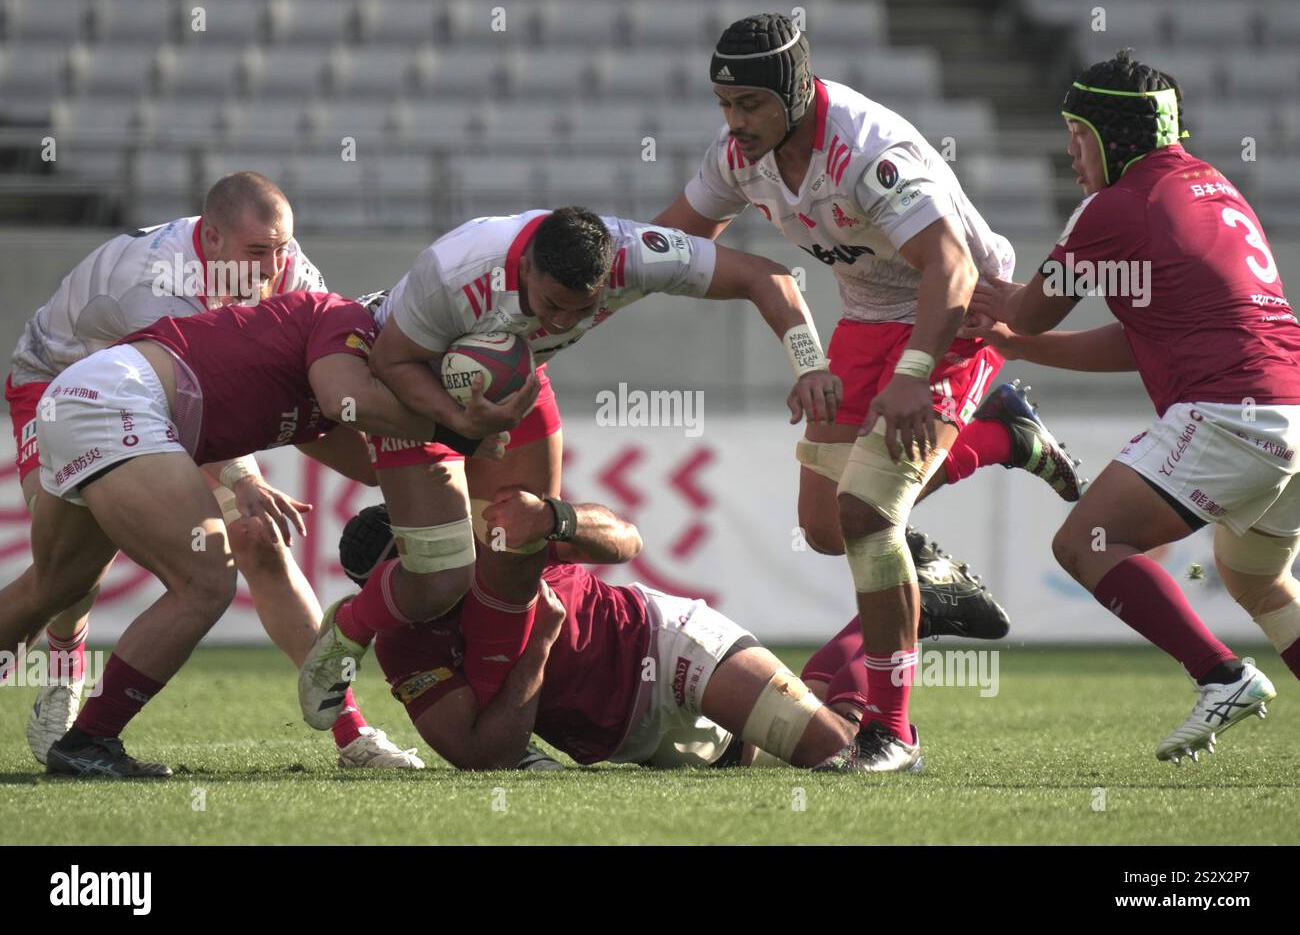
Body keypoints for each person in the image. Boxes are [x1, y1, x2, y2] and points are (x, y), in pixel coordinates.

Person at [652, 13, 1082, 770]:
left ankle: (893, 733)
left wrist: (915, 377)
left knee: (865, 515)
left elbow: (948, 267)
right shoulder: (740, 157)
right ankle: (1003, 435)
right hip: (866, 314)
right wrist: (597, 275)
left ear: (793, 89)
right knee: (823, 526)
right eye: (724, 105)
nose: (735, 122)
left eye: (750, 104)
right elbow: (675, 239)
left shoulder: (866, 149)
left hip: (952, 312)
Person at [298, 205, 842, 728]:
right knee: (444, 576)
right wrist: (457, 425)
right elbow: (393, 360)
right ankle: (348, 631)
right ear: (526, 267)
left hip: (516, 382)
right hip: (408, 386)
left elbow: (768, 276)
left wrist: (810, 364)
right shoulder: (454, 270)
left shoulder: (637, 256)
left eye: (580, 310)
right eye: (550, 303)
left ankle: (504, 724)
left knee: (519, 549)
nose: (561, 319)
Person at [4, 172, 420, 768]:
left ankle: (350, 732)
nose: (274, 268)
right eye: (258, 253)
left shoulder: (285, 263)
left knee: (260, 540)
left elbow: (310, 376)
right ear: (213, 239)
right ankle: (68, 666)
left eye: (282, 249)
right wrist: (244, 479)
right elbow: (172, 400)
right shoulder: (157, 284)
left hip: (151, 402)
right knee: (71, 576)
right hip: (65, 383)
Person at [967, 50, 1288, 762]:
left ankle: (1222, 675)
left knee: (1086, 543)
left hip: (1232, 414)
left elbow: (1033, 310)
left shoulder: (1116, 206)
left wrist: (997, 311)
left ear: (1114, 136)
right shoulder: (1213, 186)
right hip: (1287, 405)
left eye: (1078, 132)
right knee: (1256, 579)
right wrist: (1019, 346)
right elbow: (1138, 339)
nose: (1070, 150)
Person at [337, 490, 1005, 771]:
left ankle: (910, 614)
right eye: (395, 589)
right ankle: (911, 610)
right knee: (828, 734)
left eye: (416, 566)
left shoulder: (497, 540)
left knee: (839, 758)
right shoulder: (403, 644)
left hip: (669, 645)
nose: (417, 589)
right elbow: (482, 755)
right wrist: (539, 646)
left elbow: (627, 538)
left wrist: (557, 517)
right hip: (626, 741)